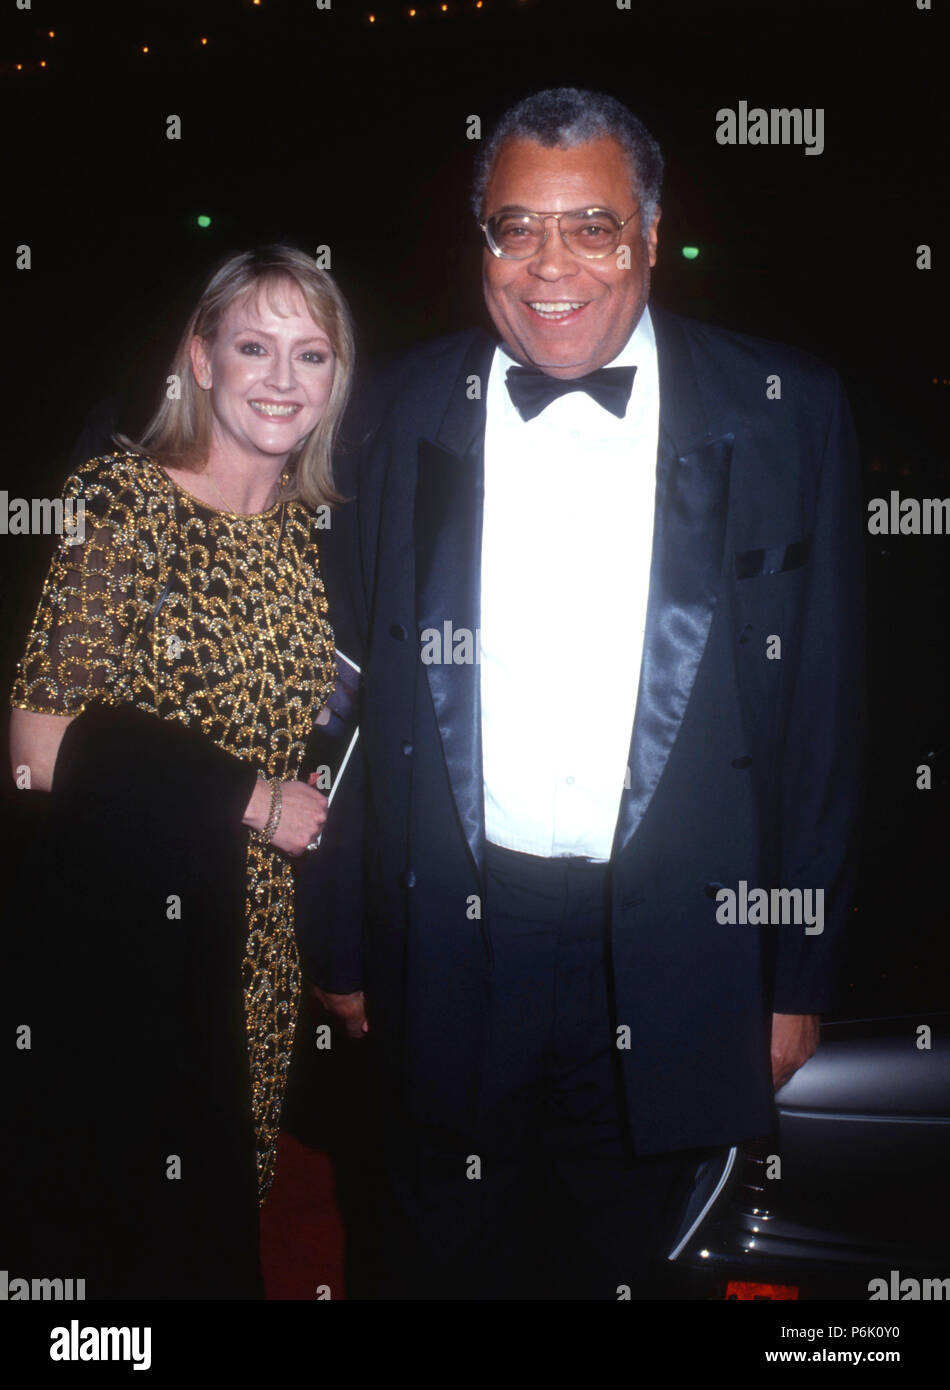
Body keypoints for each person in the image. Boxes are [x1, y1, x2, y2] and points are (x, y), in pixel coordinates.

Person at [300, 88, 865, 1300]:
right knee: (429, 1258)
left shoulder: (786, 411)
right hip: (447, 936)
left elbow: (819, 714)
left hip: (677, 940)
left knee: (637, 1265)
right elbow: (343, 699)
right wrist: (337, 939)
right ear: (482, 243)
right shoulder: (391, 411)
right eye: (515, 229)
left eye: (591, 228)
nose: (549, 267)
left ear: (650, 238)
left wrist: (796, 971)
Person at [6, 244, 355, 1298]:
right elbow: (34, 742)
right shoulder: (124, 499)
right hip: (129, 929)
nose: (283, 379)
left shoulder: (309, 528)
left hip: (257, 937)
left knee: (222, 1207)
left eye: (311, 353)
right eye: (254, 346)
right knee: (122, 1223)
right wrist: (245, 800)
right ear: (200, 359)